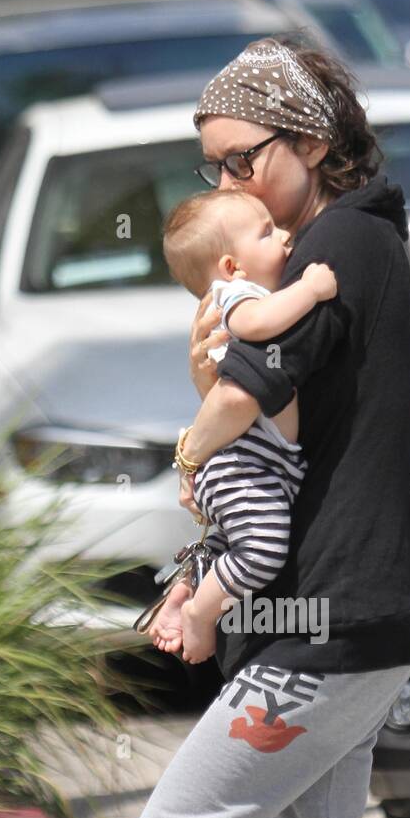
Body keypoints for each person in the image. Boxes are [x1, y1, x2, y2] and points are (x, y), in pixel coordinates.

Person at [120, 35, 410, 818]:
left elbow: (255, 385)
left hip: (327, 627)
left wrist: (189, 443)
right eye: (215, 166)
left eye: (245, 160)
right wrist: (205, 575)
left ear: (305, 140)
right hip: (330, 618)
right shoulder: (340, 240)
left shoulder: (338, 242)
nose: (234, 186)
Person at [156, 187, 338, 664]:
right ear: (232, 266)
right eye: (265, 232)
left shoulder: (244, 290)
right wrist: (312, 289)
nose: (282, 237)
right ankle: (200, 614)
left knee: (228, 540)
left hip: (256, 461)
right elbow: (258, 326)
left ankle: (187, 590)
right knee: (262, 548)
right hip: (243, 462)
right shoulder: (237, 297)